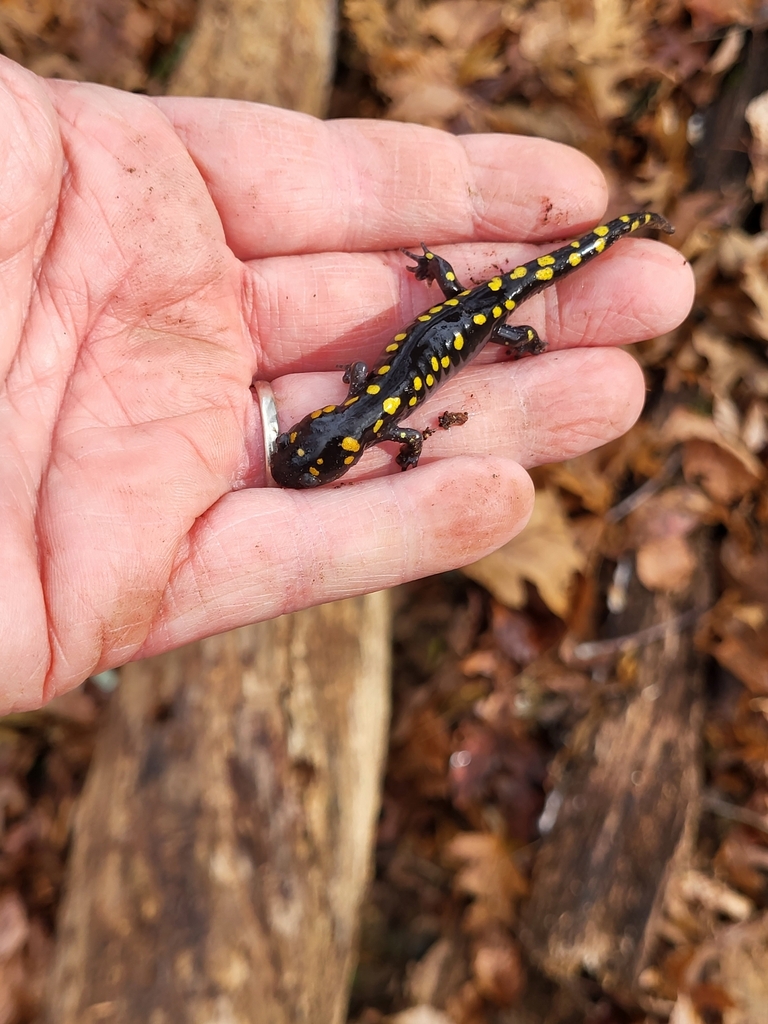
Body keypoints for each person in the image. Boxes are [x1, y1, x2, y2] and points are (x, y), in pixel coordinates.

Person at [0, 56, 694, 712]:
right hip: (455, 313)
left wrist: (428, 423)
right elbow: (396, 425)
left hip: (469, 317)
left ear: (328, 429)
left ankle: (623, 235)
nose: (311, 437)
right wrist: (415, 436)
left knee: (522, 307)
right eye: (312, 445)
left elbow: (395, 420)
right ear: (329, 432)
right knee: (492, 313)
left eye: (307, 442)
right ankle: (611, 242)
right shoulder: (371, 408)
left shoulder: (376, 413)